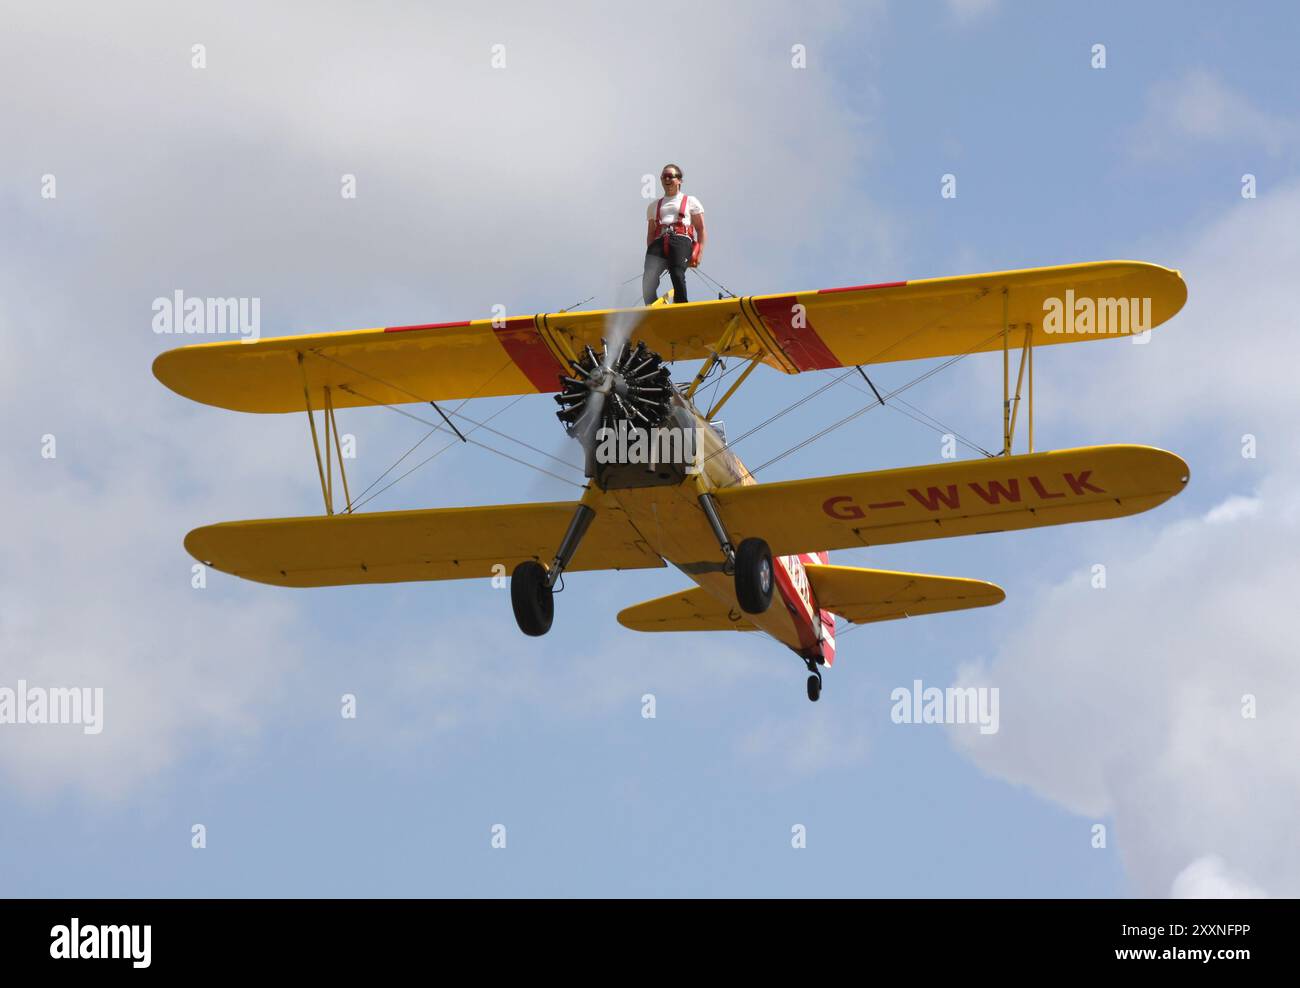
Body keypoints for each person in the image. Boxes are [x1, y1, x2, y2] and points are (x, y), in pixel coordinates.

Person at [642, 164, 706, 305]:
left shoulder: (690, 201)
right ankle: (653, 308)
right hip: (659, 241)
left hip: (681, 239)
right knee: (648, 278)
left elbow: (700, 229)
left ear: (679, 180)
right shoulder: (653, 206)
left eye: (670, 176)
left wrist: (699, 254)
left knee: (677, 273)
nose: (667, 179)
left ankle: (681, 305)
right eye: (664, 176)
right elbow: (651, 233)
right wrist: (651, 254)